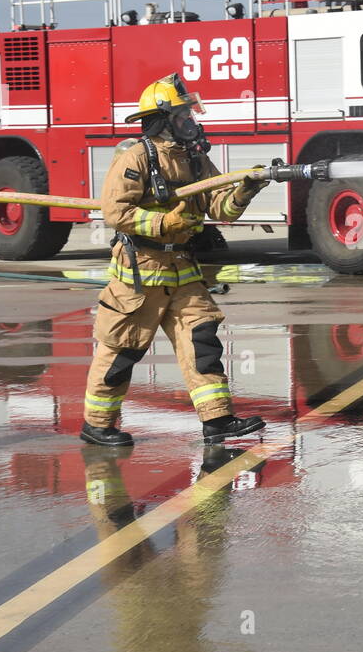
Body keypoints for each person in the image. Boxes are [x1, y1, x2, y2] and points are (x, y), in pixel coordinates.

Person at [80, 72, 268, 447]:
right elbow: (115, 213)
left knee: (202, 342)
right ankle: (97, 425)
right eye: (183, 117)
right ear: (164, 121)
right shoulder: (136, 157)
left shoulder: (195, 161)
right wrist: (166, 221)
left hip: (183, 271)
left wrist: (245, 191)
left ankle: (218, 421)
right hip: (140, 274)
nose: (191, 122)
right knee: (123, 352)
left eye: (190, 115)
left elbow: (221, 207)